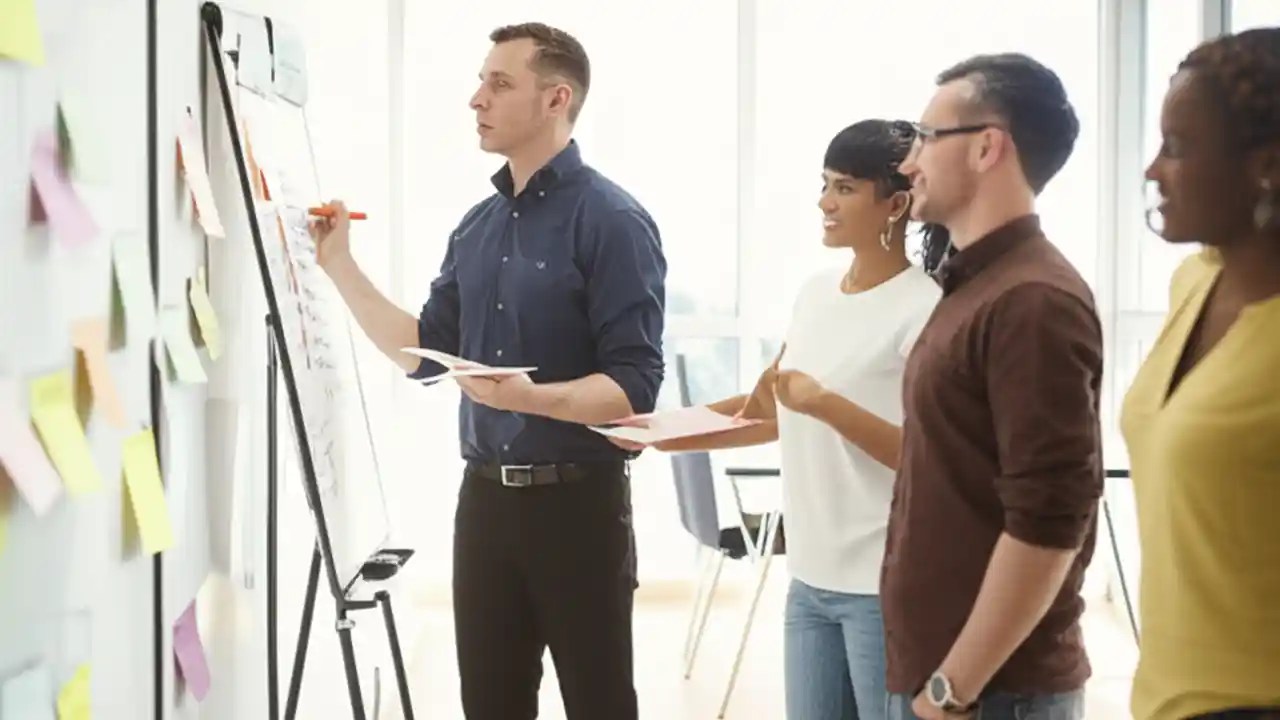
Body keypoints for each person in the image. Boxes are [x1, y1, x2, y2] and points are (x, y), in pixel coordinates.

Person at [309, 22, 665, 720]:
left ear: (556, 98)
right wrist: (339, 265)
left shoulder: (613, 220)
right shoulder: (477, 226)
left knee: (599, 705)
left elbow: (632, 386)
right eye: (481, 81)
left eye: (499, 83)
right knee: (491, 706)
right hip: (484, 507)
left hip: (578, 507)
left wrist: (532, 400)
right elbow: (422, 353)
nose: (477, 99)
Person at [639, 119, 943, 720]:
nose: (825, 203)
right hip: (809, 579)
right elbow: (767, 411)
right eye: (825, 185)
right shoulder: (815, 293)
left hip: (883, 586)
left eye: (846, 188)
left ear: (897, 204)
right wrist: (657, 431)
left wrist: (825, 402)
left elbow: (927, 457)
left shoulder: (925, 307)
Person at [882, 53, 1104, 720]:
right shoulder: (975, 285)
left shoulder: (1033, 299)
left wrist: (953, 689)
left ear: (987, 147)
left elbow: (1050, 523)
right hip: (952, 679)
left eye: (924, 137)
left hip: (988, 694)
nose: (907, 162)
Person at [1123, 28, 1280, 720]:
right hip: (1163, 701)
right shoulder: (1194, 281)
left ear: (1265, 167)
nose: (1155, 170)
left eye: (1179, 148)